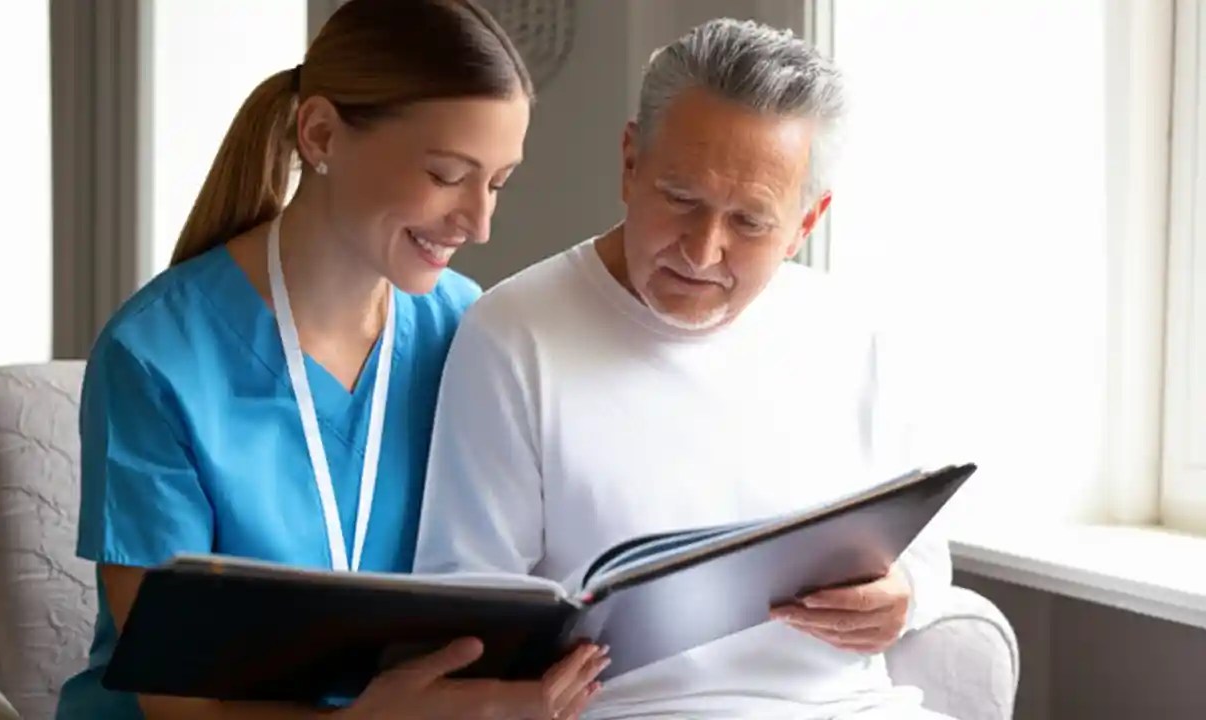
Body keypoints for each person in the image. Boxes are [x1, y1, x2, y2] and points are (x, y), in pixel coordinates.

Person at [54, 2, 610, 719]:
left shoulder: (472, 330)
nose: (479, 222)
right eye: (446, 174)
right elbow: (178, 707)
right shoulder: (156, 357)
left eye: (497, 182)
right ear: (321, 134)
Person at [414, 18, 956, 720]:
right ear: (630, 162)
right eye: (682, 199)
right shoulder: (514, 334)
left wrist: (904, 597)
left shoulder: (853, 334)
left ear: (807, 222)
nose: (702, 252)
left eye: (750, 223)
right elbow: (467, 610)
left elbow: (926, 554)